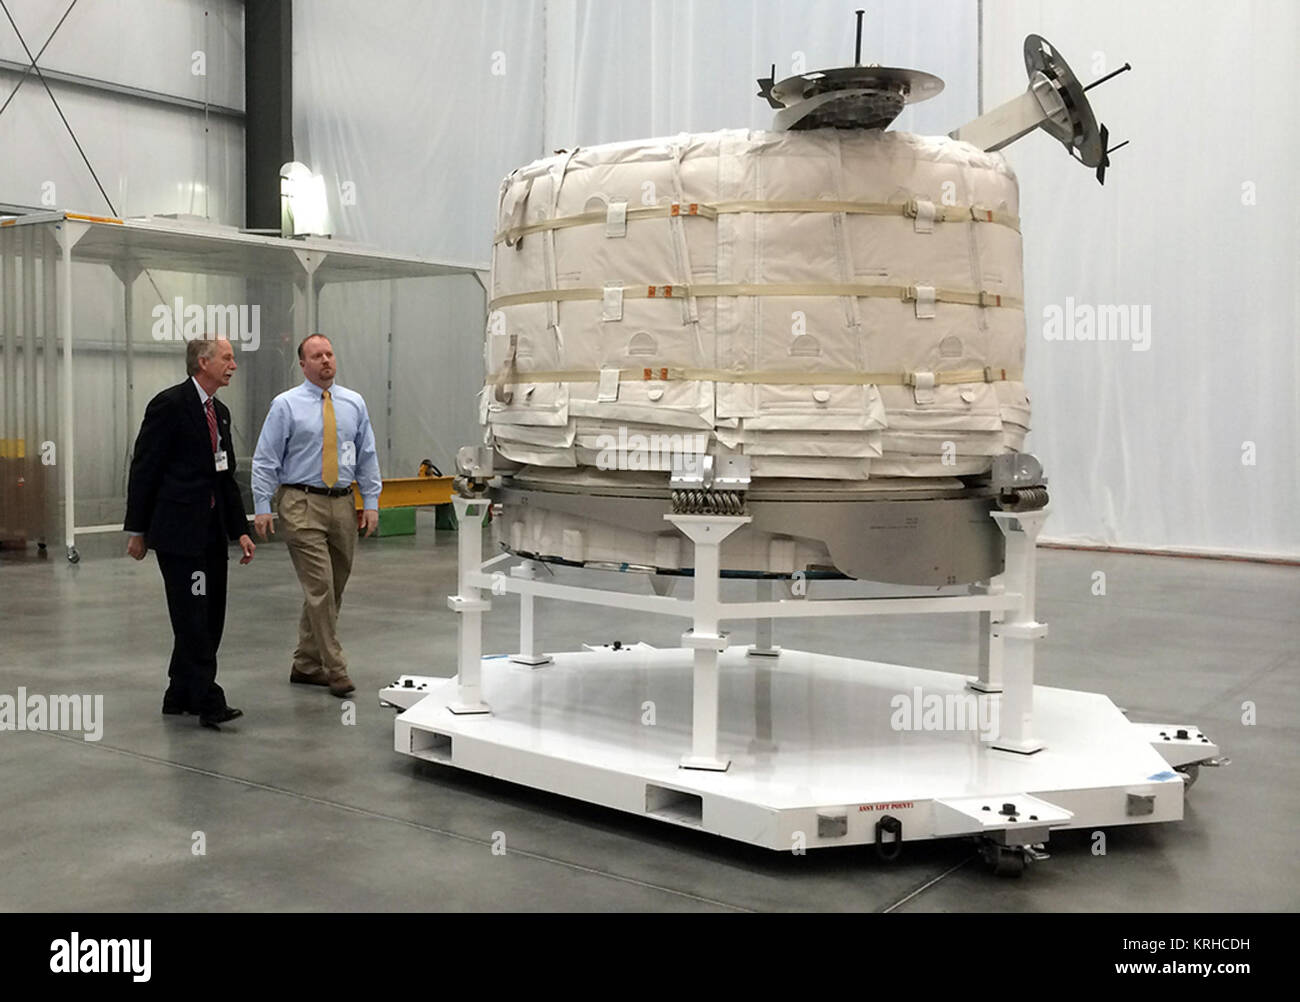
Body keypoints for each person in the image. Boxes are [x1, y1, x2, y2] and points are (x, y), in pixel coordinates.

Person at [124, 337, 256, 730]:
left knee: (211, 614)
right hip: (179, 535)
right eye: (227, 358)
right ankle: (207, 698)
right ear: (203, 362)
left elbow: (225, 476)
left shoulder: (221, 412)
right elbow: (144, 468)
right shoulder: (170, 405)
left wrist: (241, 530)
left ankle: (179, 692)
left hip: (212, 533)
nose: (233, 365)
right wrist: (137, 530)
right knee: (193, 616)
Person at [251, 334, 381, 698]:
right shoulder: (285, 405)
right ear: (303, 365)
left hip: (342, 502)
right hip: (300, 501)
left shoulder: (354, 403)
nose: (325, 360)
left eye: (329, 354)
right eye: (316, 356)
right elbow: (266, 458)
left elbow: (367, 454)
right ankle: (335, 667)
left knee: (332, 589)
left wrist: (370, 501)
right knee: (320, 586)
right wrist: (262, 506)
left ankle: (306, 664)